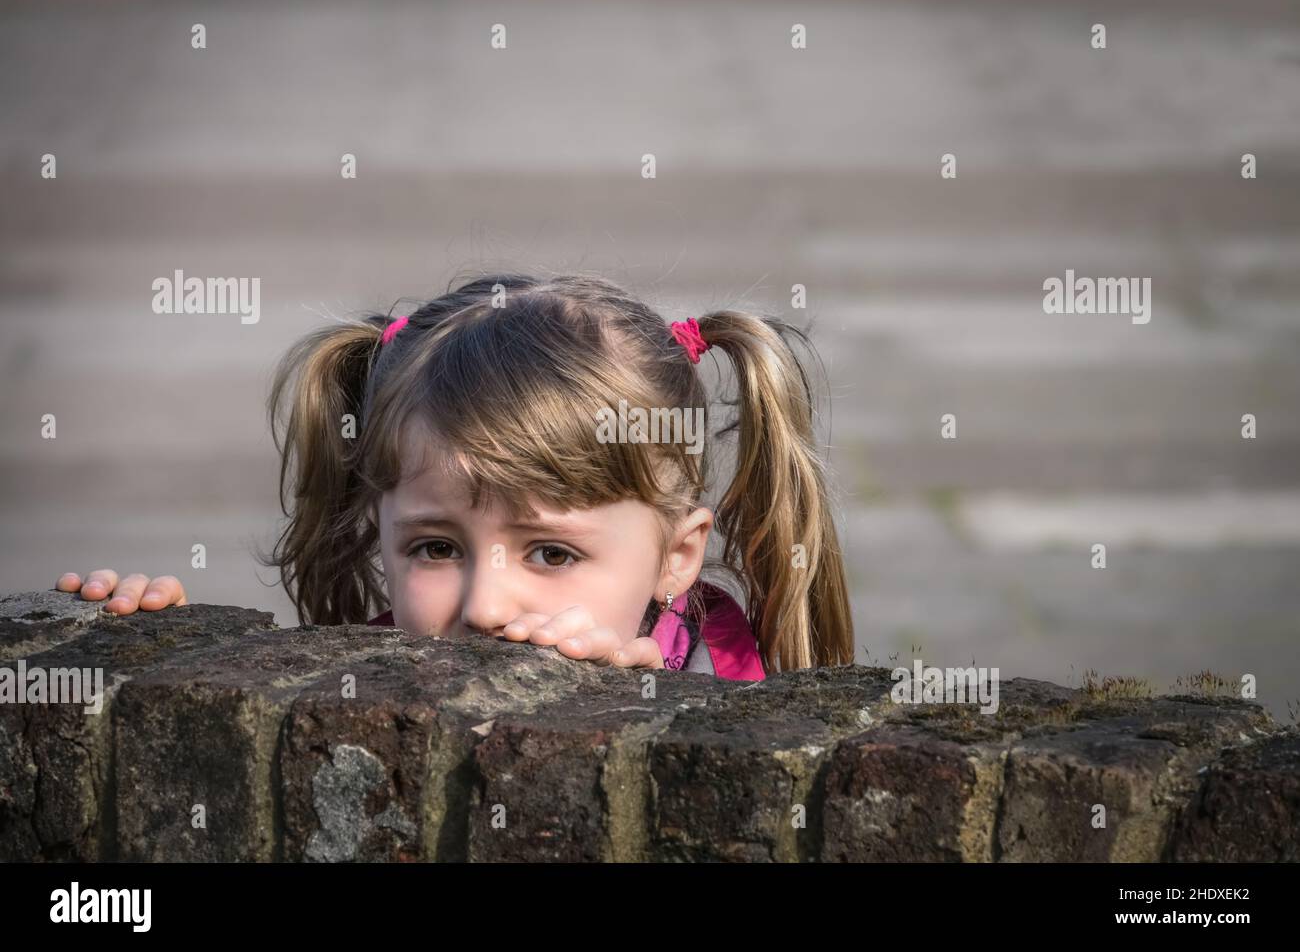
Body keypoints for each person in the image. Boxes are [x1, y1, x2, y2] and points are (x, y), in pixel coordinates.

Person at [57, 272, 854, 679]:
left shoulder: (728, 680)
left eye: (551, 552)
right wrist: (169, 654)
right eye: (436, 548)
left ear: (677, 558)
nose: (485, 606)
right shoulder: (354, 678)